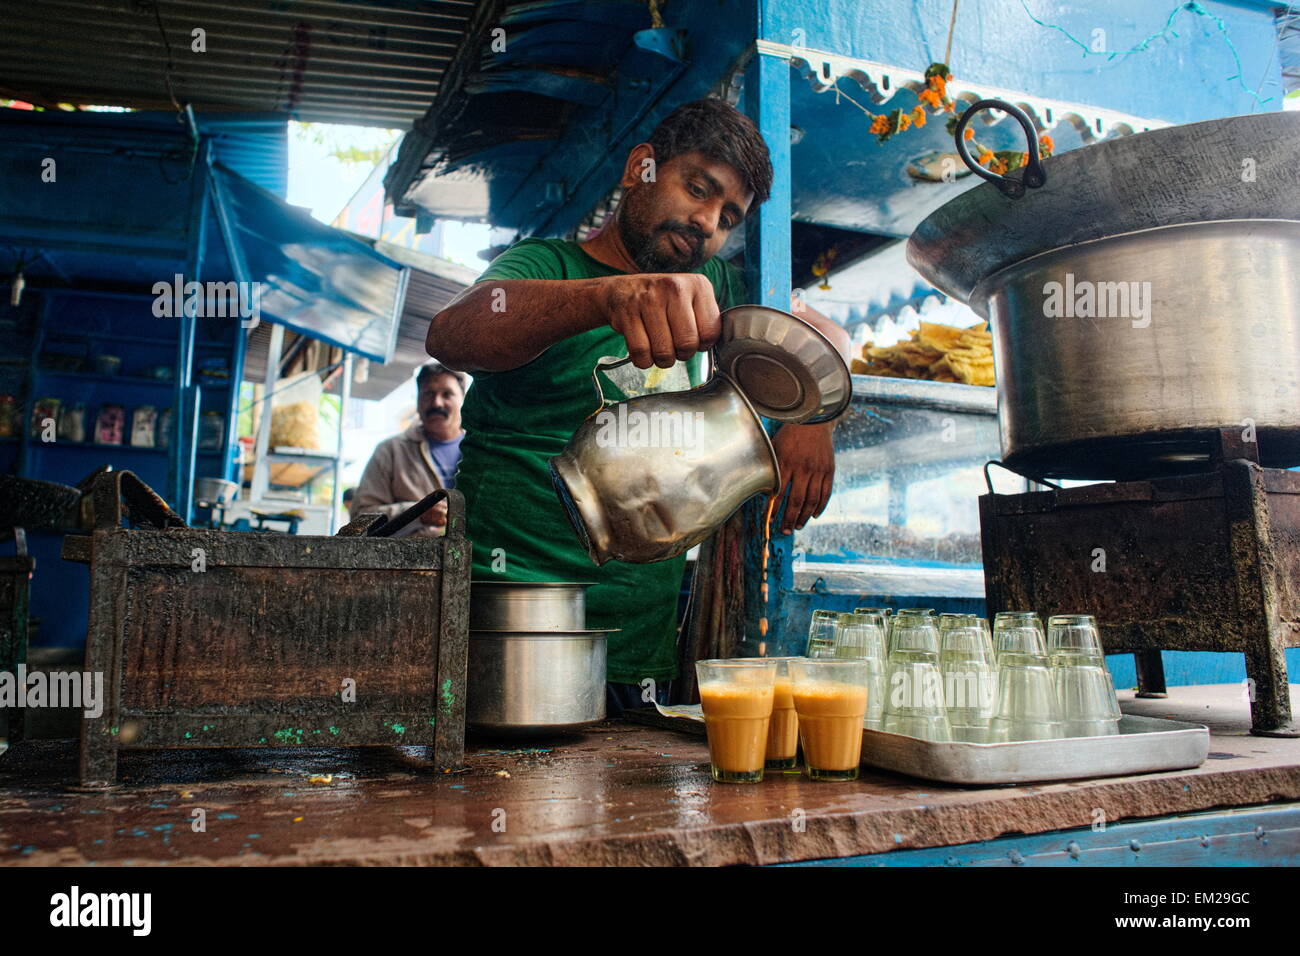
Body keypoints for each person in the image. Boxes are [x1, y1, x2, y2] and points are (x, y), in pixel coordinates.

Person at [427, 99, 851, 712]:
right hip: (505, 633)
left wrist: (815, 419)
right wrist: (609, 298)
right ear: (641, 169)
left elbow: (829, 340)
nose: (707, 220)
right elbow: (450, 334)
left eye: (728, 215)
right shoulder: (548, 266)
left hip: (639, 654)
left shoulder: (721, 292)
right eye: (697, 189)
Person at [352, 362, 467, 536]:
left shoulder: (481, 451)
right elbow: (359, 520)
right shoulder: (390, 451)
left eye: (447, 394)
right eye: (428, 394)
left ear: (463, 399)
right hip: (409, 562)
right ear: (418, 399)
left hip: (478, 561)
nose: (437, 403)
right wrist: (417, 513)